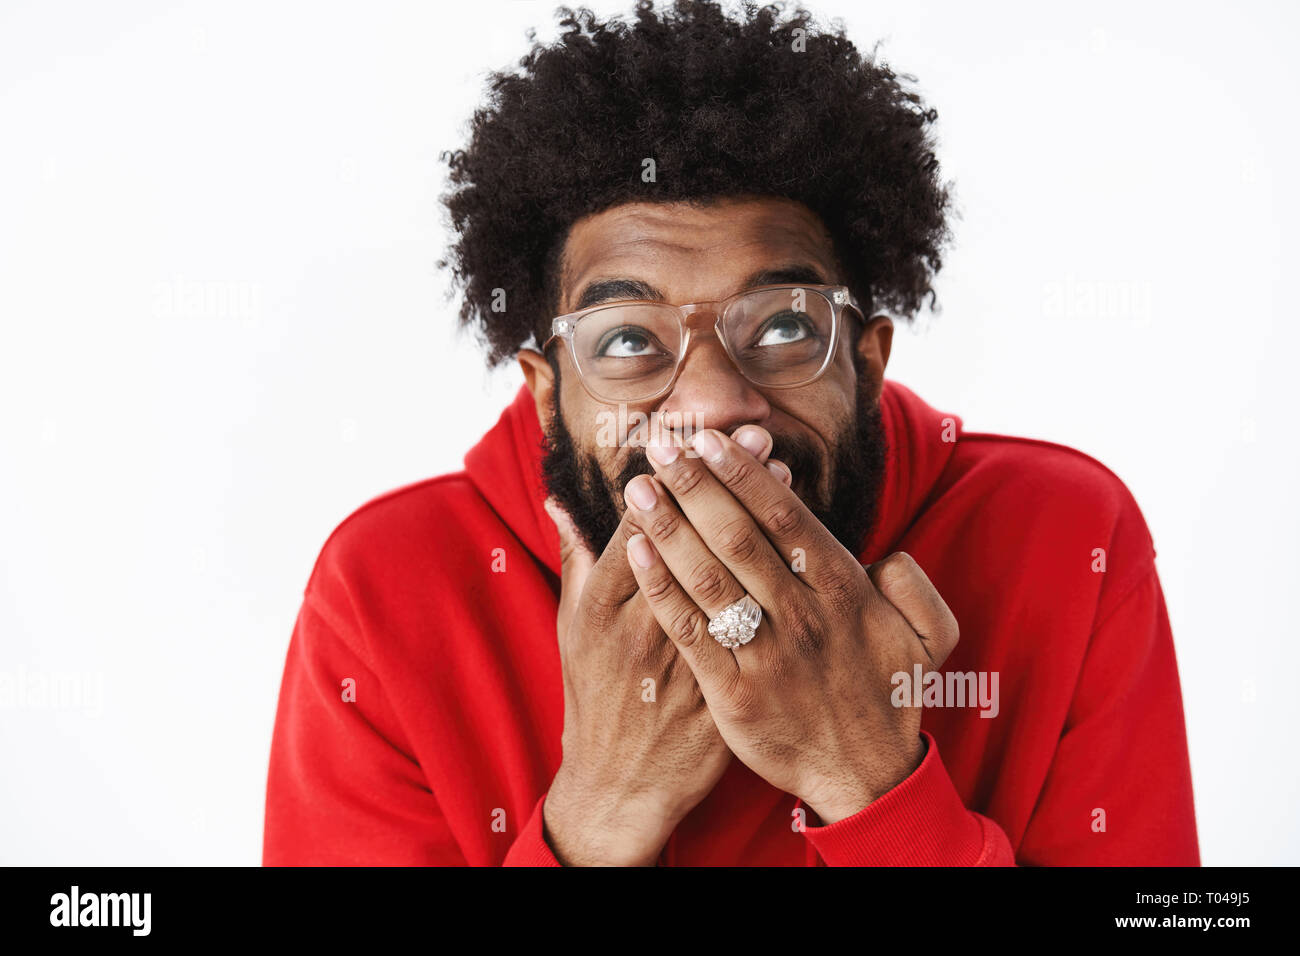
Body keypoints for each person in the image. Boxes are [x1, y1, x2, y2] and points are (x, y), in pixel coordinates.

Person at [263, 0, 1198, 866]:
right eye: (628, 339)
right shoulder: (384, 591)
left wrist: (866, 779)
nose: (711, 406)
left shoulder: (1070, 541)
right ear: (547, 395)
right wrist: (598, 811)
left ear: (867, 363)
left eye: (784, 326)